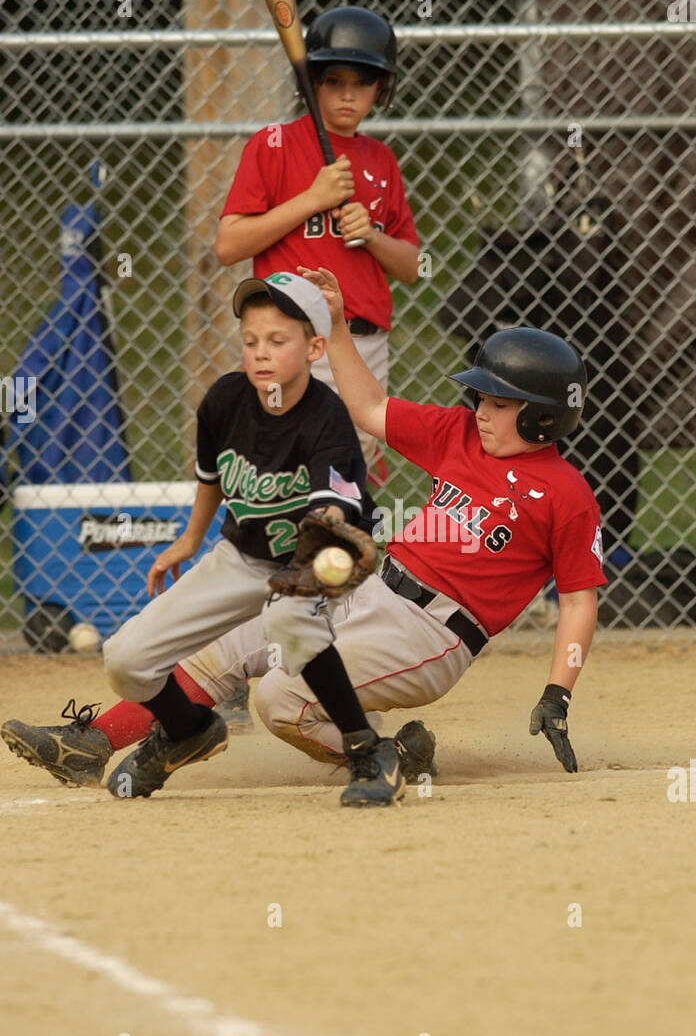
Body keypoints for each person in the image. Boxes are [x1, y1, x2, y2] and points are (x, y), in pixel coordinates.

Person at [4, 270, 607, 804]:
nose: (479, 409)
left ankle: (383, 753)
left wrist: (558, 694)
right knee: (223, 644)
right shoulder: (459, 434)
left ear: (542, 417)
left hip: (433, 633)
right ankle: (94, 743)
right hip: (368, 589)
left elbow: (579, 599)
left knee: (279, 698)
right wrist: (339, 326)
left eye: (499, 402)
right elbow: (370, 407)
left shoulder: (565, 494)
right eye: (479, 395)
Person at [1, 271, 428, 806]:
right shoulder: (226, 400)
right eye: (250, 341)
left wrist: (310, 574)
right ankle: (187, 729)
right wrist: (189, 538)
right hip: (241, 558)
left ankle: (369, 749)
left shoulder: (327, 420)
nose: (260, 353)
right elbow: (210, 477)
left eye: (277, 340)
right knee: (126, 658)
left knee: (287, 619)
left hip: (318, 558)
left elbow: (331, 514)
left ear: (314, 346)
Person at [214, 5, 420, 472]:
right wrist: (312, 199)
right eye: (334, 81)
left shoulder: (380, 160)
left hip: (363, 343)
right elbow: (229, 245)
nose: (348, 95)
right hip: (293, 337)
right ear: (312, 84)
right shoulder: (274, 145)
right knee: (288, 473)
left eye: (362, 83)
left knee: (348, 481)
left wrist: (369, 235)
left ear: (381, 88)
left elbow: (409, 266)